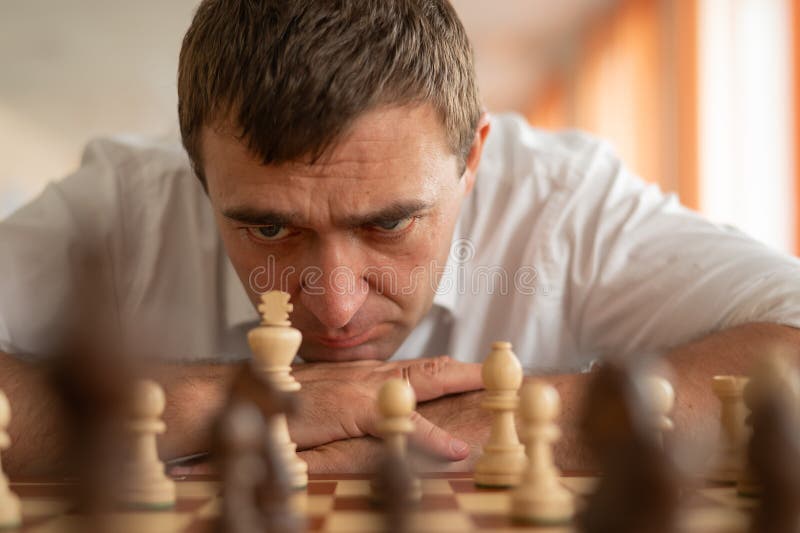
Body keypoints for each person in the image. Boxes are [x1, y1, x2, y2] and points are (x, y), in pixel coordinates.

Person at [1, 0, 799, 476]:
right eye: (268, 225)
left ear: (473, 160)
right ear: (196, 174)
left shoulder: (564, 201)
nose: (336, 304)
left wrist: (507, 421)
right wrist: (221, 403)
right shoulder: (123, 201)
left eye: (388, 222)